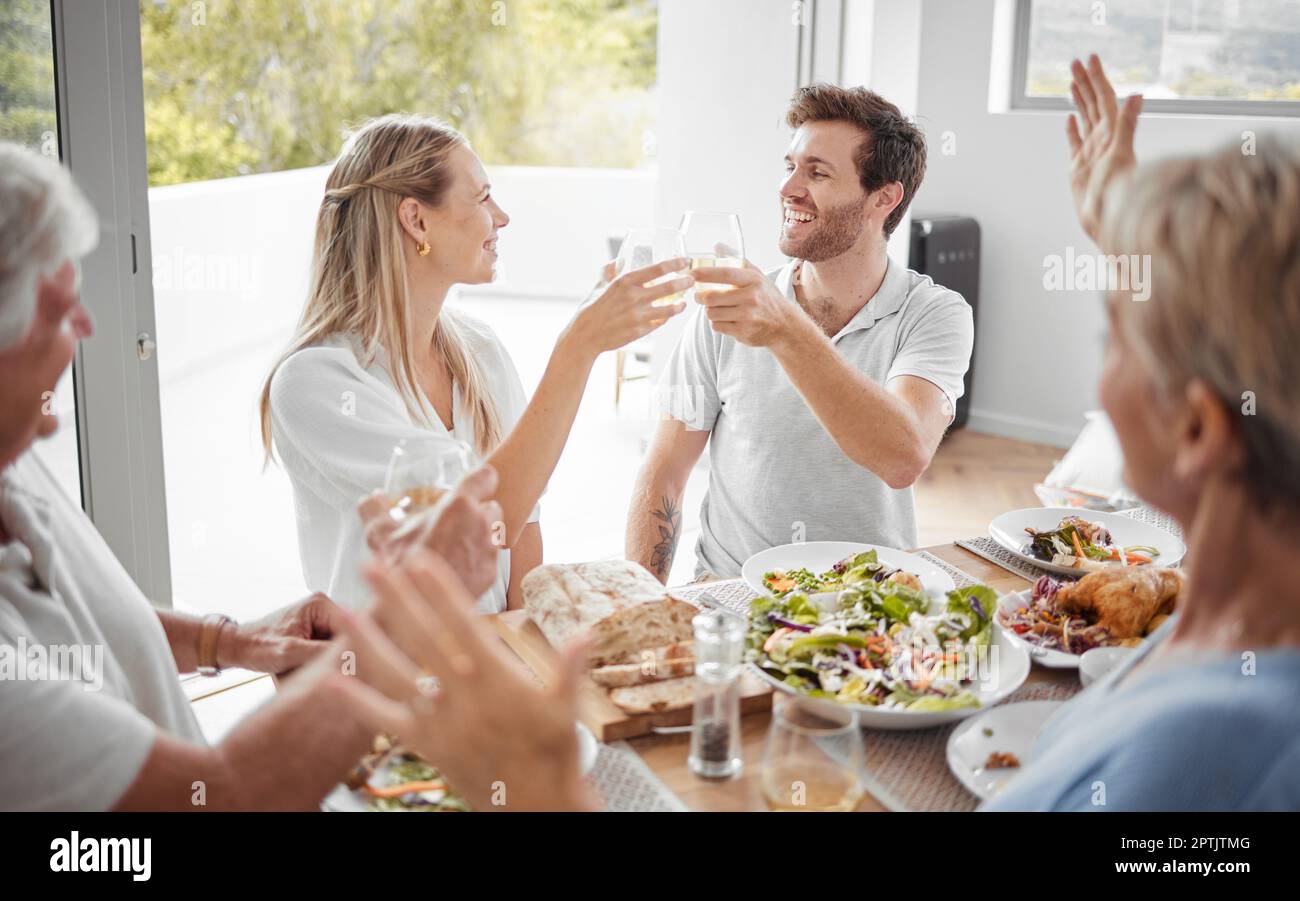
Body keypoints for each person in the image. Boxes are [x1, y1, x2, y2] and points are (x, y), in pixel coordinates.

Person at [0, 142, 541, 811]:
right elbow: (222, 797)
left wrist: (230, 640)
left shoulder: (14, 467)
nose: (85, 327)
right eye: (58, 308)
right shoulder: (318, 378)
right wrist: (415, 610)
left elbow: (90, 619)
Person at [984, 56, 1300, 811]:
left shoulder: (1204, 751)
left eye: (1113, 343)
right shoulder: (1227, 614)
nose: (1103, 377)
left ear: (1197, 428)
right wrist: (1125, 230)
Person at [261, 114, 691, 612]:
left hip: (485, 669)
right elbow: (477, 526)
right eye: (482, 197)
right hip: (387, 678)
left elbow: (523, 524)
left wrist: (523, 650)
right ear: (416, 220)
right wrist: (577, 348)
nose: (501, 217)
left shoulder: (478, 348)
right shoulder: (316, 384)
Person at [626, 85, 973, 583]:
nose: (788, 188)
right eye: (789, 166)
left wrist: (783, 327)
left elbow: (903, 457)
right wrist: (644, 606)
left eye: (818, 172)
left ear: (884, 198)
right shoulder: (726, 310)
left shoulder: (934, 314)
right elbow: (664, 473)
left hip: (867, 599)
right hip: (730, 591)